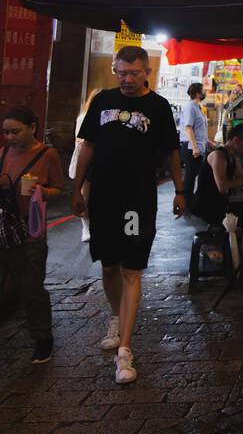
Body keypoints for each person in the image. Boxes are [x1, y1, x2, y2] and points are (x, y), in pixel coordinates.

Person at [71, 45, 183, 386]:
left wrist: (180, 189)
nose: (127, 79)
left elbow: (171, 150)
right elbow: (86, 146)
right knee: (108, 263)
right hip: (103, 195)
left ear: (147, 71)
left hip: (137, 199)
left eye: (134, 73)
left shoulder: (158, 107)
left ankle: (125, 350)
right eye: (121, 72)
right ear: (115, 70)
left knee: (131, 268)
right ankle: (117, 318)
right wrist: (77, 189)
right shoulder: (102, 101)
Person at [0, 106, 65, 363]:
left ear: (33, 128)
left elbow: (59, 189)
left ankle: (42, 339)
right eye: (6, 132)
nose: (10, 137)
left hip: (30, 231)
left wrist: (40, 190)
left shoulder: (48, 155)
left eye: (15, 131)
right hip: (5, 229)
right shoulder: (3, 153)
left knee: (32, 288)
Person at [194, 123, 243, 226]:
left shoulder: (234, 157)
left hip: (222, 204)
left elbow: (241, 179)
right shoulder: (218, 156)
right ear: (236, 140)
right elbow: (223, 187)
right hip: (209, 208)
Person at [69, 89, 99, 243]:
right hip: (87, 161)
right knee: (85, 195)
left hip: (99, 161)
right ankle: (86, 227)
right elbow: (81, 142)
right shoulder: (84, 117)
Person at [179, 82, 211, 206]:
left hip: (198, 146)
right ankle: (187, 202)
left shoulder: (197, 107)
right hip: (191, 147)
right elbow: (188, 128)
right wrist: (194, 147)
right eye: (203, 91)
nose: (205, 93)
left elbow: (198, 129)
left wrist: (208, 141)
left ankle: (191, 199)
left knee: (194, 175)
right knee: (190, 176)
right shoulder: (190, 107)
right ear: (198, 93)